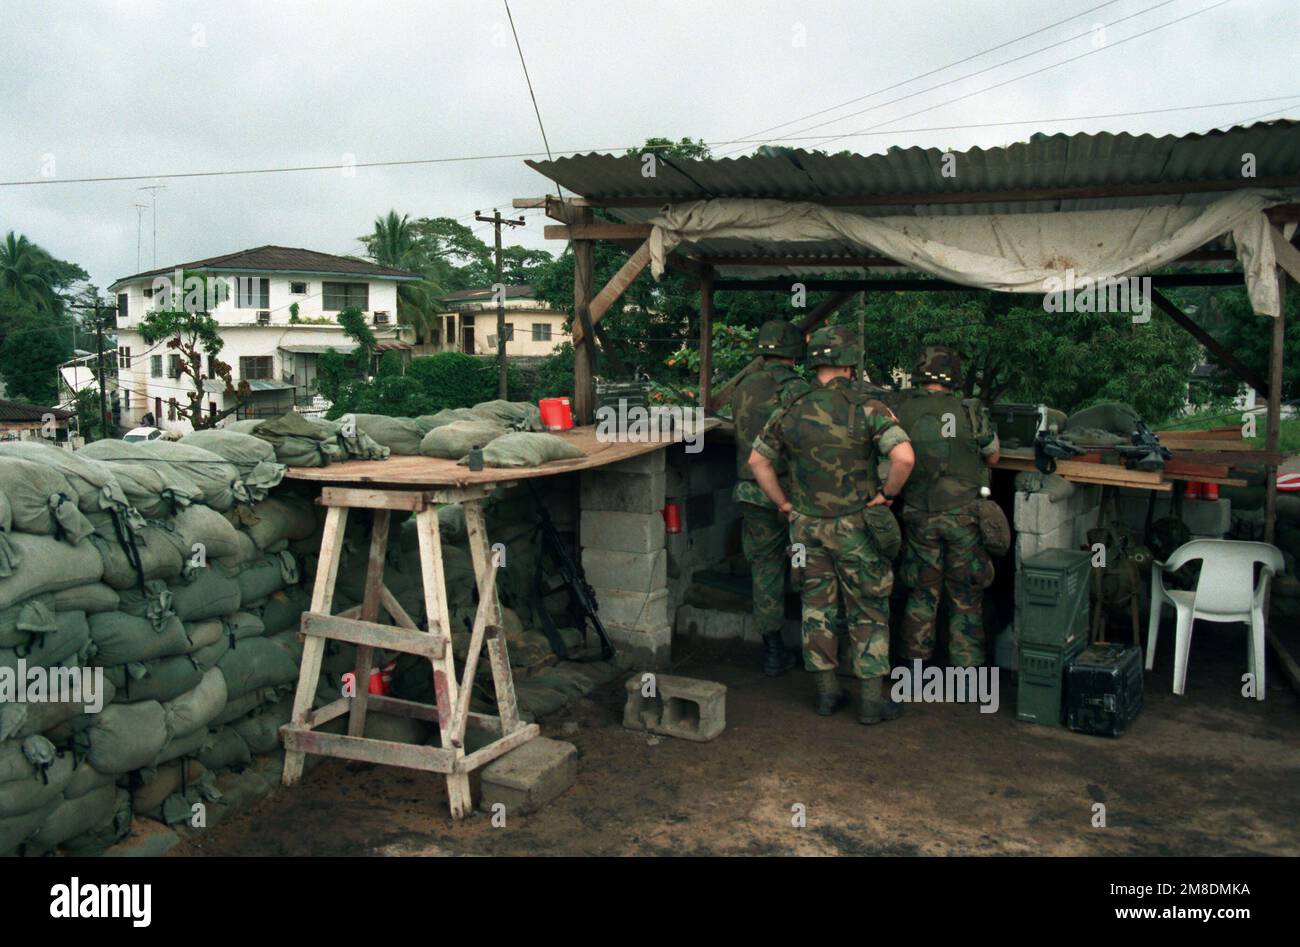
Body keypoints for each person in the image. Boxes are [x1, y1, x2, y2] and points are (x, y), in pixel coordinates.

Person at [749, 325, 915, 722]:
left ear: (816, 362)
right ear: (850, 364)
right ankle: (872, 702)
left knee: (815, 607)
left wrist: (785, 503)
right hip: (857, 526)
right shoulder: (869, 408)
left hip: (806, 528)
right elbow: (905, 458)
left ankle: (826, 694)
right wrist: (886, 496)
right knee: (868, 607)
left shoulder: (791, 407)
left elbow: (757, 461)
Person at [886, 346, 1000, 668]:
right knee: (966, 594)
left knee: (922, 592)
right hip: (964, 514)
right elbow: (993, 456)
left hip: (919, 514)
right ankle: (966, 675)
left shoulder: (900, 410)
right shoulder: (970, 411)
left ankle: (914, 669)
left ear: (921, 374)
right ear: (954, 378)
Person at [732, 320, 812, 676]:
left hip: (751, 490)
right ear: (794, 352)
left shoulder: (743, 387)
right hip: (792, 494)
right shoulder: (799, 390)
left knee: (765, 568)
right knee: (810, 567)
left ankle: (773, 652)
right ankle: (819, 654)